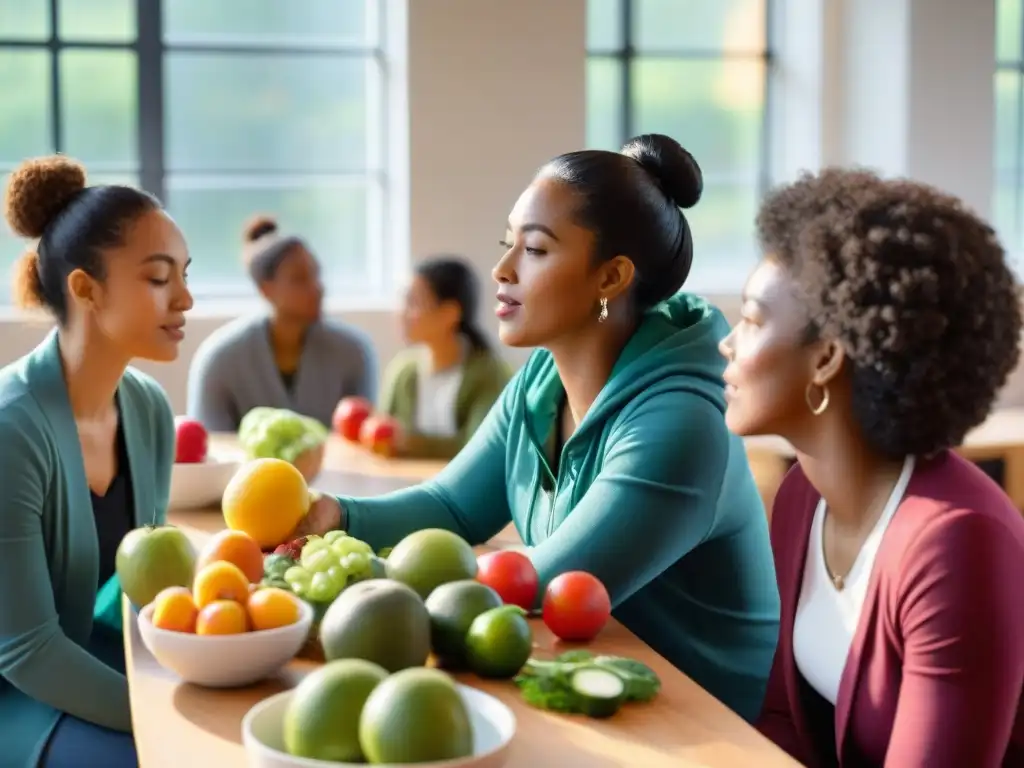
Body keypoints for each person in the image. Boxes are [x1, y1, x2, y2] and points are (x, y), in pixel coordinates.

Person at [299, 134, 781, 722]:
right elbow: (454, 506)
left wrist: (360, 582)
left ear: (611, 278)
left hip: (704, 726)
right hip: (585, 674)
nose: (502, 270)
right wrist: (333, 518)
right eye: (508, 244)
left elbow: (542, 583)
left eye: (534, 249)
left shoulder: (681, 422)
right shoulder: (541, 380)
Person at [719, 168, 1024, 765]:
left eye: (752, 320)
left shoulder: (956, 542)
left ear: (827, 357)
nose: (728, 343)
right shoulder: (802, 495)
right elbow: (783, 717)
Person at [0, 157, 190, 766]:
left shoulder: (149, 409)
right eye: (159, 278)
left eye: (185, 275)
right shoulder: (10, 430)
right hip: (21, 697)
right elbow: (26, 650)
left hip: (106, 659)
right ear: (85, 288)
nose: (185, 298)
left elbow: (138, 585)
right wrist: (162, 716)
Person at [185, 216, 377, 431]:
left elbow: (364, 438)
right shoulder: (220, 359)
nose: (317, 288)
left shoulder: (353, 352)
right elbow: (211, 446)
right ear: (266, 289)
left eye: (316, 274)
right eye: (300, 279)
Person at [381, 256, 512, 459]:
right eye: (403, 300)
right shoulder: (402, 370)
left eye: (413, 302)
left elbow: (482, 449)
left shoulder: (490, 374)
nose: (402, 313)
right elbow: (382, 435)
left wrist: (410, 443)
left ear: (450, 313)